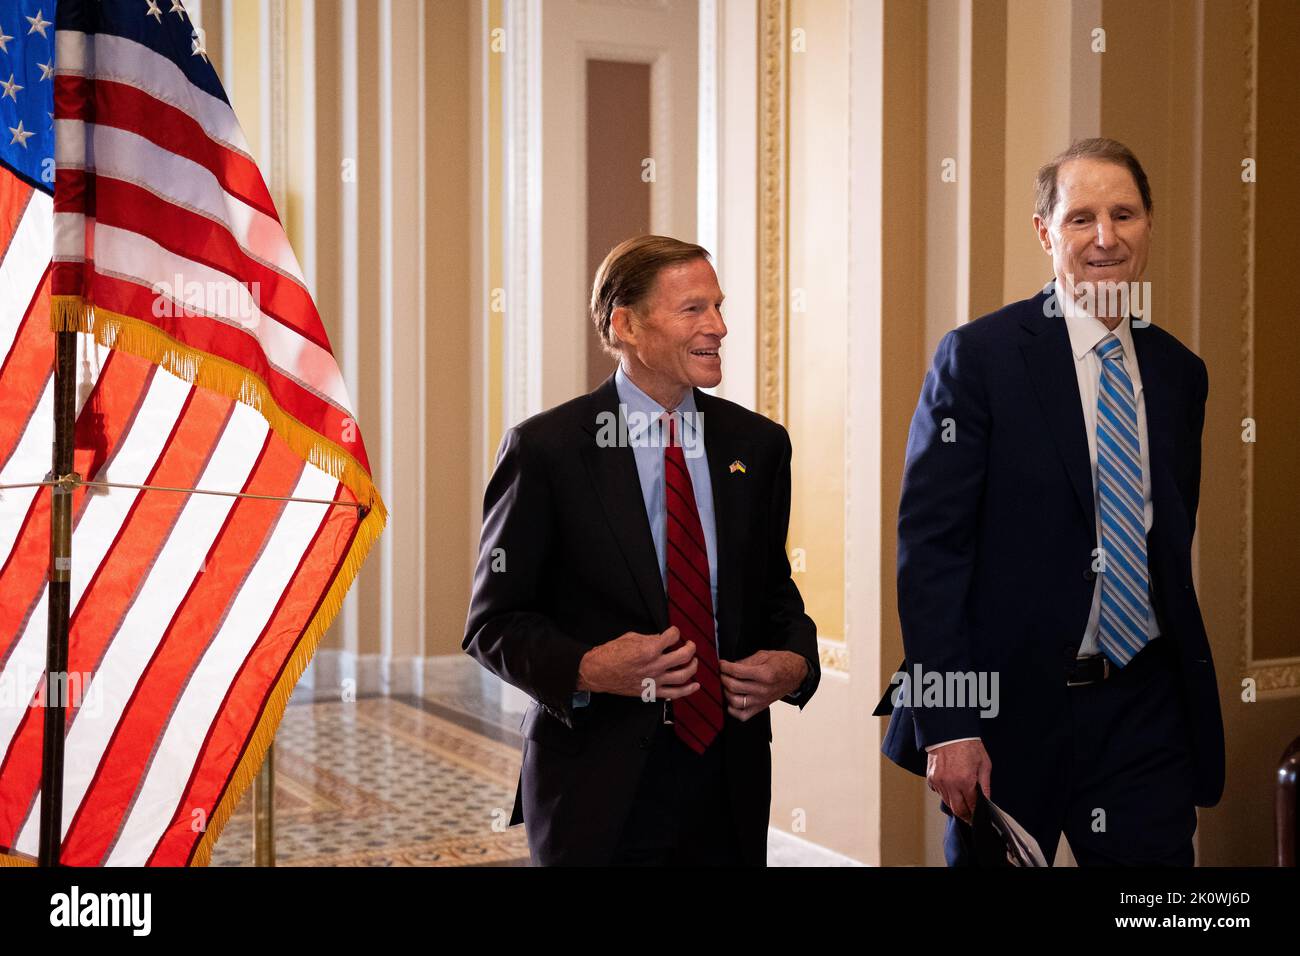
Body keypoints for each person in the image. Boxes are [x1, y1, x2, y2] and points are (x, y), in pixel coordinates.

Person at [879, 138, 1225, 865]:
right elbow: (931, 553)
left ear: (1149, 225)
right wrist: (948, 722)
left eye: (1124, 215)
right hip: (1007, 715)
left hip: (1144, 709)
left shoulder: (1178, 374)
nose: (1106, 238)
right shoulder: (978, 359)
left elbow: (1167, 537)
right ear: (1045, 232)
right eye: (1081, 219)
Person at [464, 235, 819, 865]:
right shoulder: (548, 450)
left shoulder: (758, 445)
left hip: (728, 780)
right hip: (596, 787)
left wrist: (795, 661)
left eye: (718, 306)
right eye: (693, 310)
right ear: (624, 324)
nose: (719, 326)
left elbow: (774, 594)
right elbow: (492, 624)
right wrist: (589, 667)